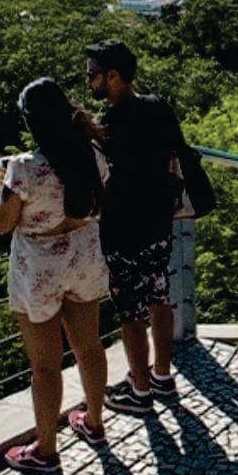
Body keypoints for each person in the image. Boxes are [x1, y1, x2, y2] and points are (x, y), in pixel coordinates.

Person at [0, 78, 110, 474]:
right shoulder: (92, 153)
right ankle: (93, 423)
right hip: (85, 255)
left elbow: (2, 223)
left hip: (40, 268)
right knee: (89, 347)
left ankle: (46, 450)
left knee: (45, 366)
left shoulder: (23, 168)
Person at [86, 39, 191, 414]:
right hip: (158, 221)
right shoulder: (158, 106)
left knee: (130, 311)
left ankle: (140, 391)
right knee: (160, 297)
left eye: (93, 74)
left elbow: (103, 173)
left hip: (124, 228)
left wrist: (90, 130)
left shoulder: (111, 124)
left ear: (113, 76)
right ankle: (162, 375)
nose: (89, 82)